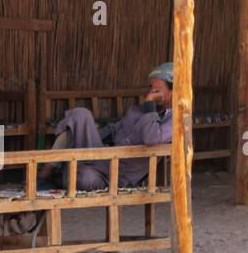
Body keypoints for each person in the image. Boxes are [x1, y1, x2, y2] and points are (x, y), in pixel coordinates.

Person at [42, 63, 175, 191]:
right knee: (80, 115)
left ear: (173, 90)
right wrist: (82, 136)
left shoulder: (175, 120)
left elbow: (151, 138)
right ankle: (48, 172)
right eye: (151, 88)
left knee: (83, 177)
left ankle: (57, 175)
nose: (151, 92)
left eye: (157, 90)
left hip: (115, 175)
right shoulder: (137, 110)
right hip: (100, 157)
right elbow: (114, 129)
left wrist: (150, 105)